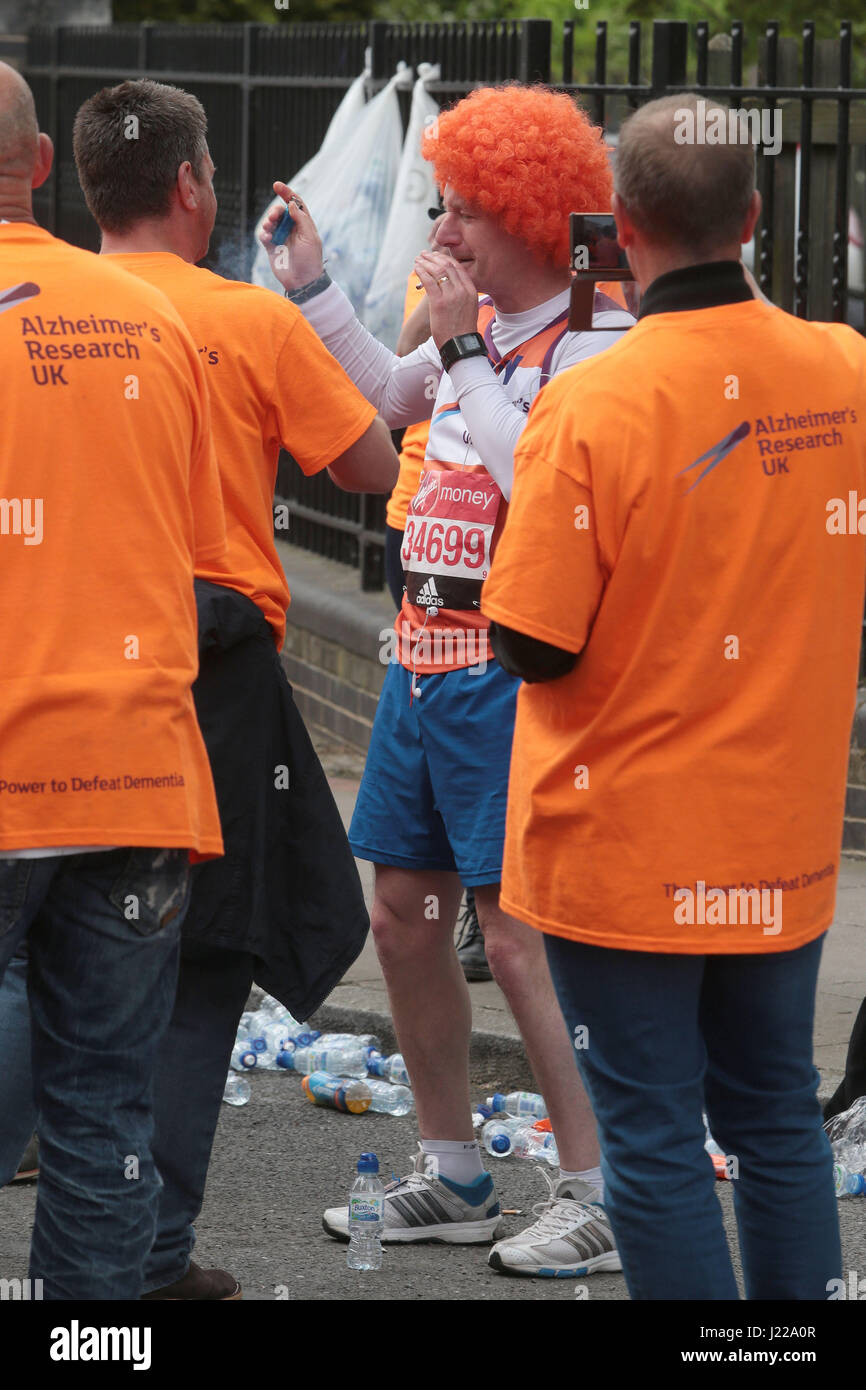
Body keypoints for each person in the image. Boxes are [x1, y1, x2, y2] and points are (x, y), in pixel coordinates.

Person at [0, 76, 398, 1300]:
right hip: (160, 727)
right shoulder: (179, 325)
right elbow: (360, 463)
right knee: (130, 1071)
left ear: (71, 173)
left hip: (34, 719)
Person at [481, 91, 866, 1300]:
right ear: (751, 217)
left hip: (625, 850)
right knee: (775, 1121)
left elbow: (532, 643)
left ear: (618, 231)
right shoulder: (846, 370)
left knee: (649, 1143)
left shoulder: (592, 402)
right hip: (781, 840)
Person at [262, 83, 633, 1278]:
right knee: (402, 919)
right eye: (441, 202)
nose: (443, 230)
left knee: (515, 941)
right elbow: (390, 395)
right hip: (418, 661)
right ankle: (456, 1168)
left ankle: (597, 1187)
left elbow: (544, 487)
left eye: (464, 208)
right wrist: (314, 290)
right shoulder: (469, 327)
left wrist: (466, 340)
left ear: (531, 217)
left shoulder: (589, 331)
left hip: (505, 671)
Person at [0, 63, 226, 1299]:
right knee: (102, 1122)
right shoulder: (157, 320)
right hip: (136, 770)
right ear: (41, 168)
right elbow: (188, 536)